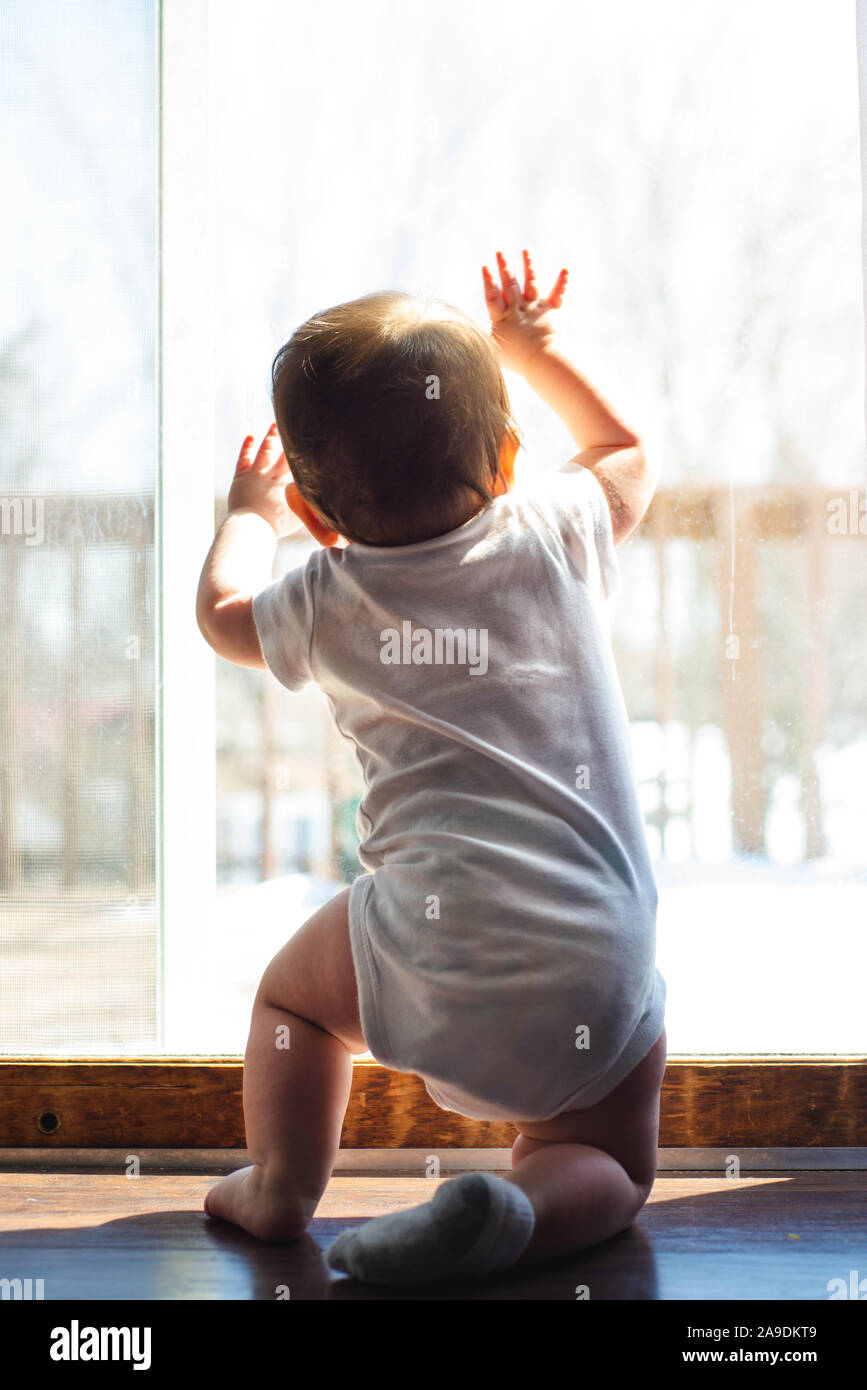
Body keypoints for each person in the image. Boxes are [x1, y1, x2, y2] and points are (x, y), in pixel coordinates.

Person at [195, 249, 667, 1284]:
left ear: (320, 519)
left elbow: (221, 615)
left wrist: (248, 515)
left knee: (293, 1006)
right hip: (593, 959)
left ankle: (279, 1185)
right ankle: (520, 1209)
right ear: (504, 463)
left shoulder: (325, 593)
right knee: (613, 1163)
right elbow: (626, 449)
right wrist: (532, 346)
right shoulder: (550, 530)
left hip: (424, 948)